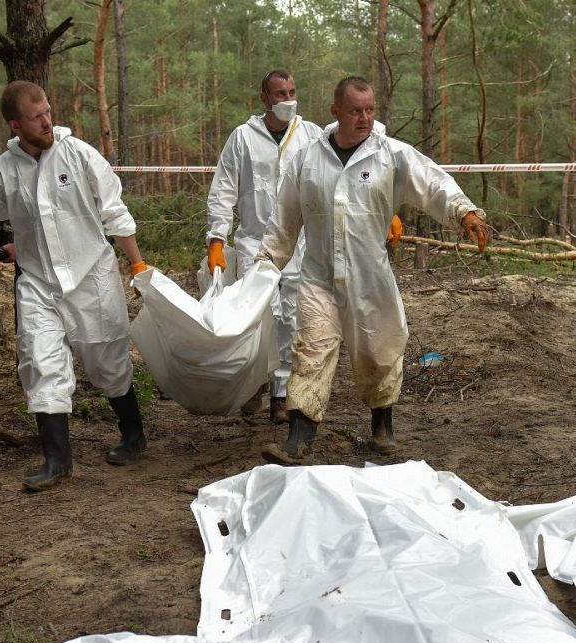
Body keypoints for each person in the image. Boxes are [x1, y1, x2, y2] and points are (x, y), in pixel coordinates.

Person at [259, 76, 489, 463]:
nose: (364, 118)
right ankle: (299, 439)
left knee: (379, 352)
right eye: (355, 111)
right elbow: (285, 218)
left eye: (369, 110)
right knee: (311, 351)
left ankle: (383, 423)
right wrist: (267, 262)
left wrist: (462, 210)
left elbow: (432, 183)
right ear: (336, 112)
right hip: (319, 276)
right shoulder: (308, 159)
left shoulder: (391, 155)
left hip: (371, 279)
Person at [0, 81, 150, 493]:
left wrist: (138, 264)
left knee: (106, 360)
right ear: (16, 123)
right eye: (36, 117)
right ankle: (57, 459)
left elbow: (114, 210)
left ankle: (133, 435)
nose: (47, 121)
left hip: (93, 277)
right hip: (38, 283)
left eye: (48, 112)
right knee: (40, 361)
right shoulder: (1, 172)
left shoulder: (79, 155)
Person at [205, 69, 322, 423]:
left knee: (290, 317)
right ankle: (254, 381)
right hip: (255, 242)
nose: (287, 99)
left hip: (298, 243)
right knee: (259, 316)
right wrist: (216, 238)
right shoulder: (243, 137)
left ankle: (281, 393)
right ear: (264, 99)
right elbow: (223, 188)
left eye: (292, 91)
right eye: (279, 94)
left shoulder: (311, 134)